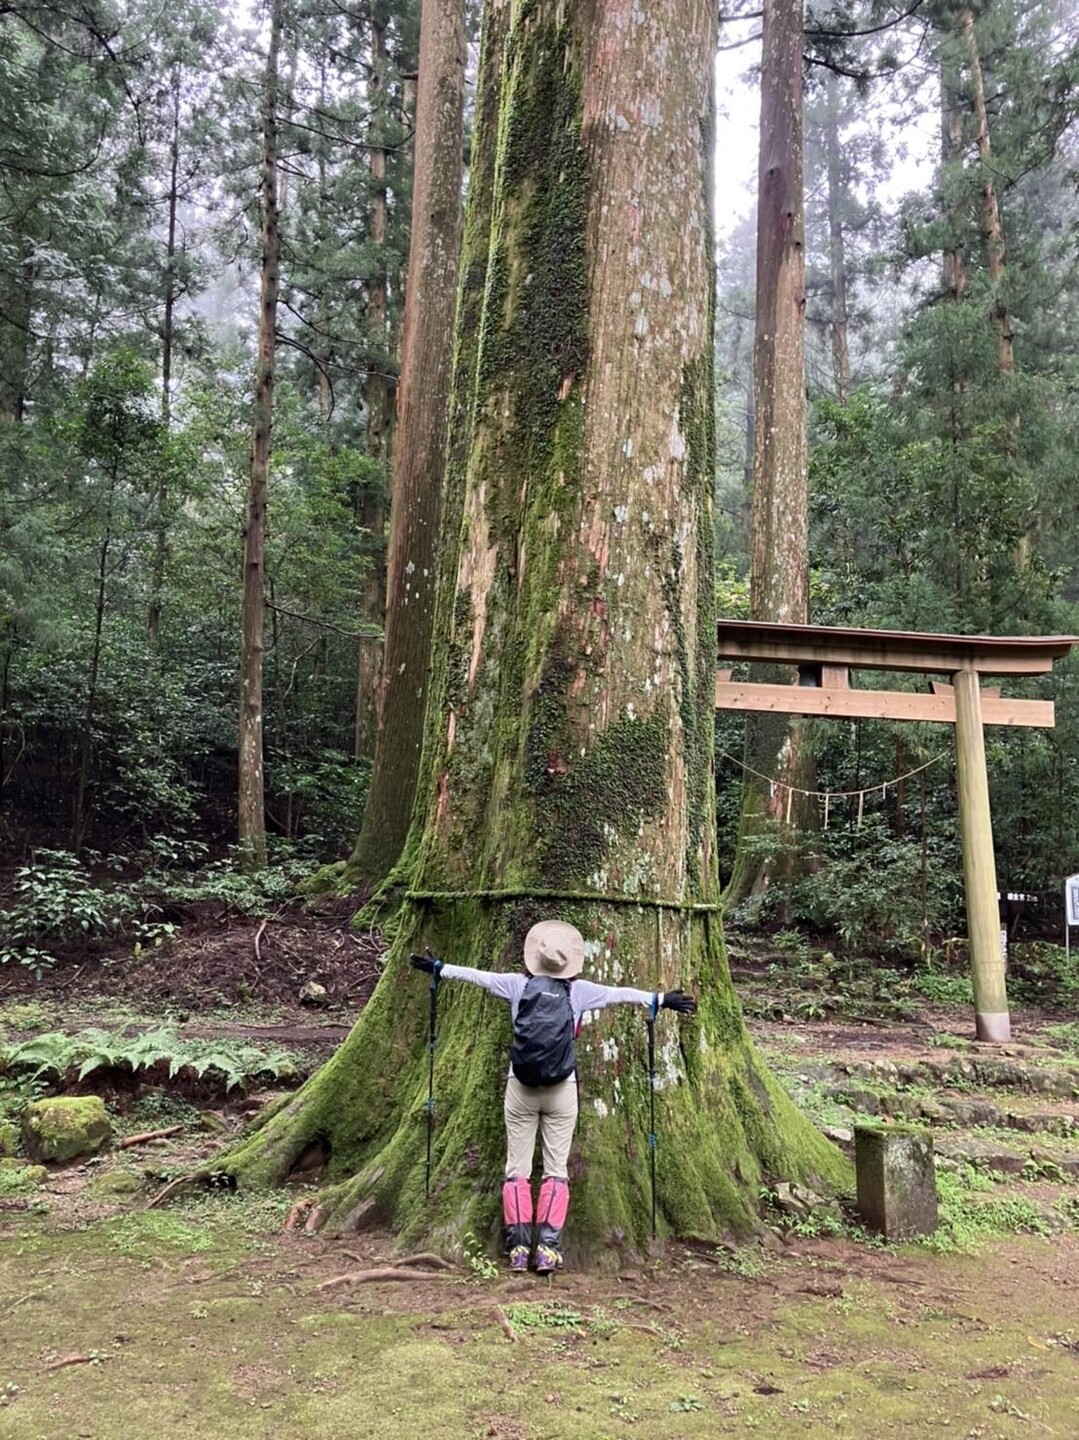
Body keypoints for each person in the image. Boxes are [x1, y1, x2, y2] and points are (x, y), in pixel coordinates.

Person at [410, 918, 697, 1274]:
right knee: (555, 1170)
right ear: (569, 964)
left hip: (520, 1087)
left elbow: (479, 977)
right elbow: (619, 993)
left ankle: (518, 1250)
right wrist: (661, 1000)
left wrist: (440, 969)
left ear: (535, 958)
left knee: (517, 1169)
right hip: (562, 1090)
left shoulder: (516, 985)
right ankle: (547, 1250)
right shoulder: (579, 992)